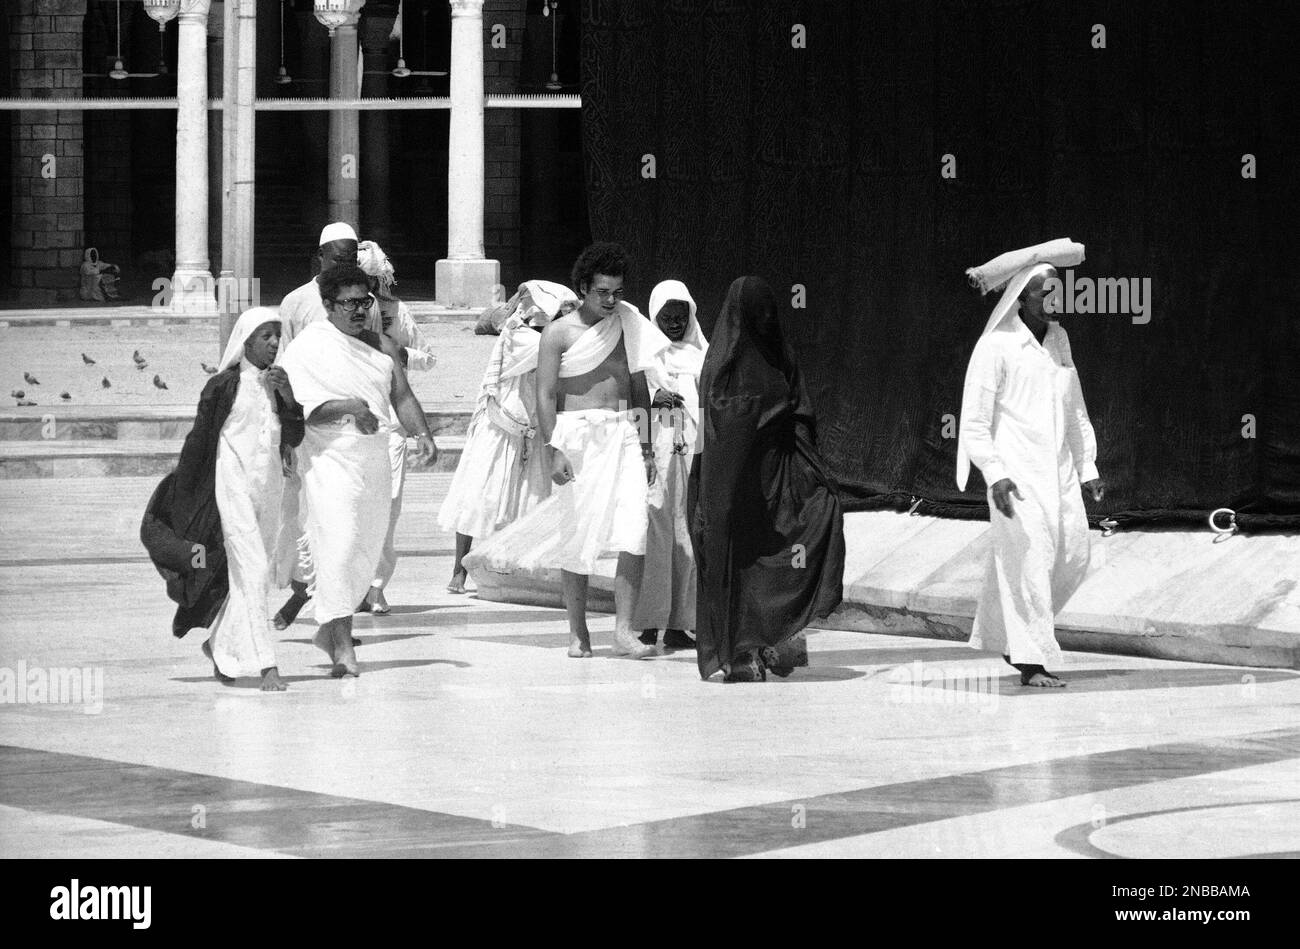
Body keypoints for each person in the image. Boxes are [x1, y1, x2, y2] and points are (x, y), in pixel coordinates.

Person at [463, 243, 670, 659]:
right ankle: (578, 632)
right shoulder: (558, 334)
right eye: (602, 293)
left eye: (617, 292)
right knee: (577, 534)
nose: (611, 301)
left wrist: (646, 446)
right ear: (583, 289)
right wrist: (552, 448)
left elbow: (638, 389)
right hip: (575, 437)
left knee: (635, 531)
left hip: (623, 434)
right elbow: (544, 395)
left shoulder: (628, 325)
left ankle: (624, 630)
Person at [958, 239, 1105, 688]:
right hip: (1015, 476)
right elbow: (975, 422)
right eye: (1046, 293)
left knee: (1075, 556)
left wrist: (1089, 468)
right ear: (1021, 297)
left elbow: (1076, 407)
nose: (1055, 300)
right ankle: (1030, 660)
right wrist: (995, 474)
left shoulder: (1059, 339)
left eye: (1059, 292)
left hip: (1058, 472)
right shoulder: (996, 347)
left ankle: (1007, 634)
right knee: (1029, 560)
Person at [278, 265, 436, 677]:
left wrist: (423, 435)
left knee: (365, 550)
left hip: (374, 459)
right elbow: (303, 411)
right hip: (329, 460)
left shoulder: (381, 345)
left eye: (365, 302)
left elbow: (401, 394)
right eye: (349, 303)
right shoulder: (308, 347)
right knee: (339, 546)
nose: (360, 310)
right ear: (328, 306)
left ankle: (331, 631)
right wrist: (351, 407)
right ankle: (344, 645)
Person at [689, 276, 845, 682]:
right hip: (736, 486)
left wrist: (804, 464)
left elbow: (801, 408)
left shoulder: (780, 353)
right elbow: (720, 432)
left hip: (782, 477)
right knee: (742, 564)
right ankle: (737, 653)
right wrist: (723, 500)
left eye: (770, 311)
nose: (765, 320)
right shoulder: (722, 365)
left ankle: (780, 641)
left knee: (810, 529)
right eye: (756, 312)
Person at [141, 307, 304, 691]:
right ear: (245, 341)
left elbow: (294, 435)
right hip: (232, 489)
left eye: (276, 336)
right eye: (265, 336)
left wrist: (287, 395)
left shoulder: (279, 383)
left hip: (269, 490)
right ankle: (268, 665)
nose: (273, 343)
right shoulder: (223, 386)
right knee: (253, 569)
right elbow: (199, 442)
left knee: (253, 574)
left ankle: (220, 647)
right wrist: (184, 493)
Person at [439, 280, 576, 593]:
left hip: (533, 431)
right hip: (498, 430)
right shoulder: (519, 337)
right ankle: (459, 567)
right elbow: (494, 321)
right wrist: (519, 298)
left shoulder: (554, 341)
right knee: (478, 497)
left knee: (531, 502)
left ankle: (518, 568)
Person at [272, 221, 359, 629]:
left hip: (349, 430)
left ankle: (333, 608)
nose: (346, 266)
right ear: (320, 259)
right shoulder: (296, 302)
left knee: (343, 520)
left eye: (353, 259)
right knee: (305, 516)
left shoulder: (361, 301)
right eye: (339, 259)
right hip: (309, 427)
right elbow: (284, 367)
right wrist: (288, 430)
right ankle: (303, 590)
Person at [356, 240, 438, 614]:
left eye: (372, 282)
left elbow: (428, 358)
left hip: (389, 423)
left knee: (387, 509)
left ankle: (375, 586)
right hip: (346, 422)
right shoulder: (334, 316)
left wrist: (399, 353)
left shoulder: (396, 312)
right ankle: (347, 584)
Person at [633, 280, 707, 650]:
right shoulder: (647, 356)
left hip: (692, 451)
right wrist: (654, 398)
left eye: (681, 316)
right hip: (657, 453)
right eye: (667, 316)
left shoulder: (701, 356)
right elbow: (634, 405)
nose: (675, 323)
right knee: (653, 531)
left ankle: (681, 621)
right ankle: (648, 621)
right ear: (655, 315)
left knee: (686, 534)